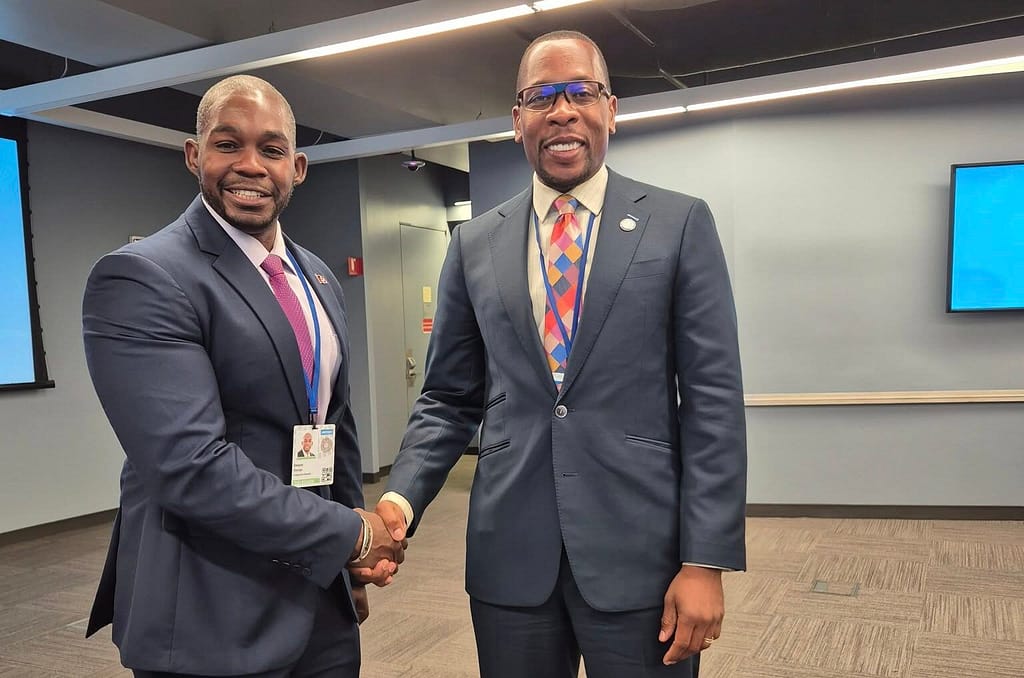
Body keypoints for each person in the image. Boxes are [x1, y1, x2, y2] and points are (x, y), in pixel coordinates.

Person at [376, 30, 747, 678]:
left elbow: (712, 401)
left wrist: (705, 559)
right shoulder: (474, 244)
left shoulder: (678, 224)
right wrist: (399, 500)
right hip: (510, 559)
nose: (562, 112)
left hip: (642, 558)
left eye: (581, 92)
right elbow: (448, 398)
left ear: (611, 109)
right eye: (541, 97)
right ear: (517, 118)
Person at [82, 75, 403, 678]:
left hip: (317, 600)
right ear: (193, 154)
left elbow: (330, 425)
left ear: (297, 168)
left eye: (271, 149)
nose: (250, 165)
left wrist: (345, 566)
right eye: (228, 145)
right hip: (209, 611)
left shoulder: (317, 277)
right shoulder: (144, 277)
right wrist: (351, 535)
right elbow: (190, 466)